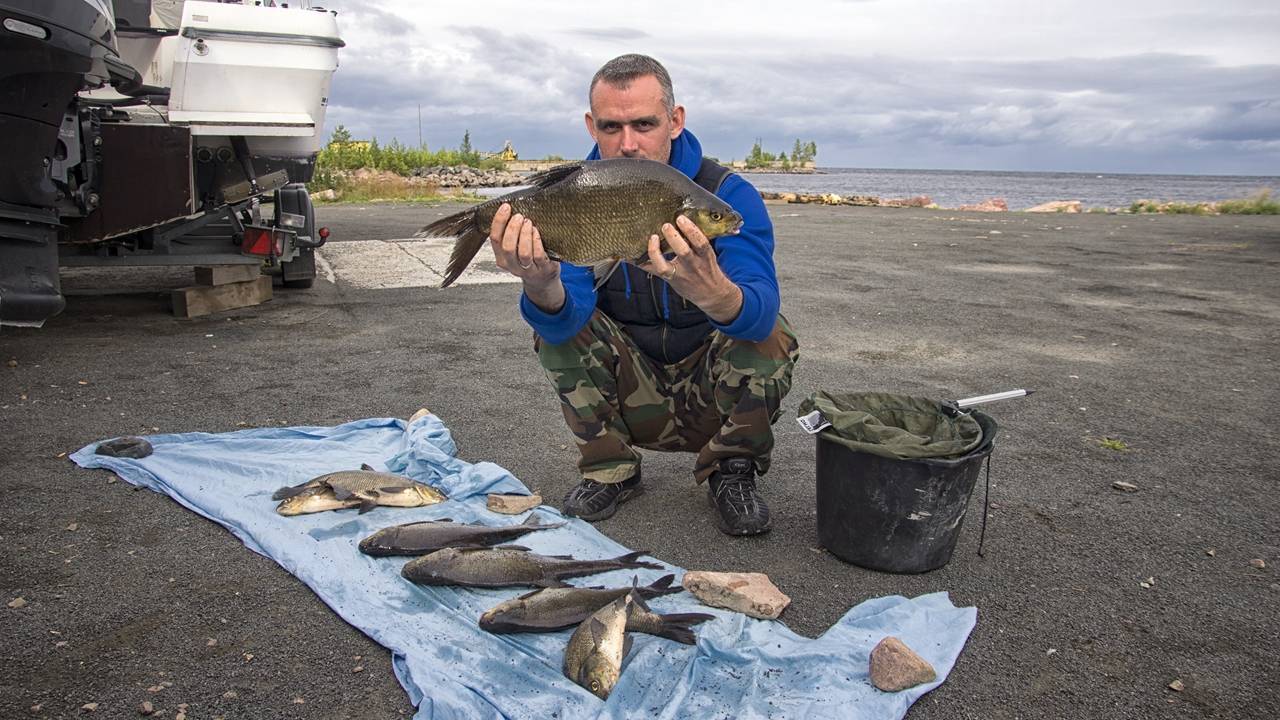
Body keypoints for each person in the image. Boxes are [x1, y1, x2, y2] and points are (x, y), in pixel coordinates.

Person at [487, 54, 799, 536]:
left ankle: (732, 468)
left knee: (772, 332)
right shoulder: (577, 192)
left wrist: (715, 294)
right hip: (632, 391)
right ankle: (609, 468)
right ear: (591, 126)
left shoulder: (726, 196)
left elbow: (759, 315)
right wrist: (540, 281)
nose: (627, 144)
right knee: (552, 329)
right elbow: (564, 322)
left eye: (644, 124)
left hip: (708, 392)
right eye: (611, 127)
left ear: (675, 121)